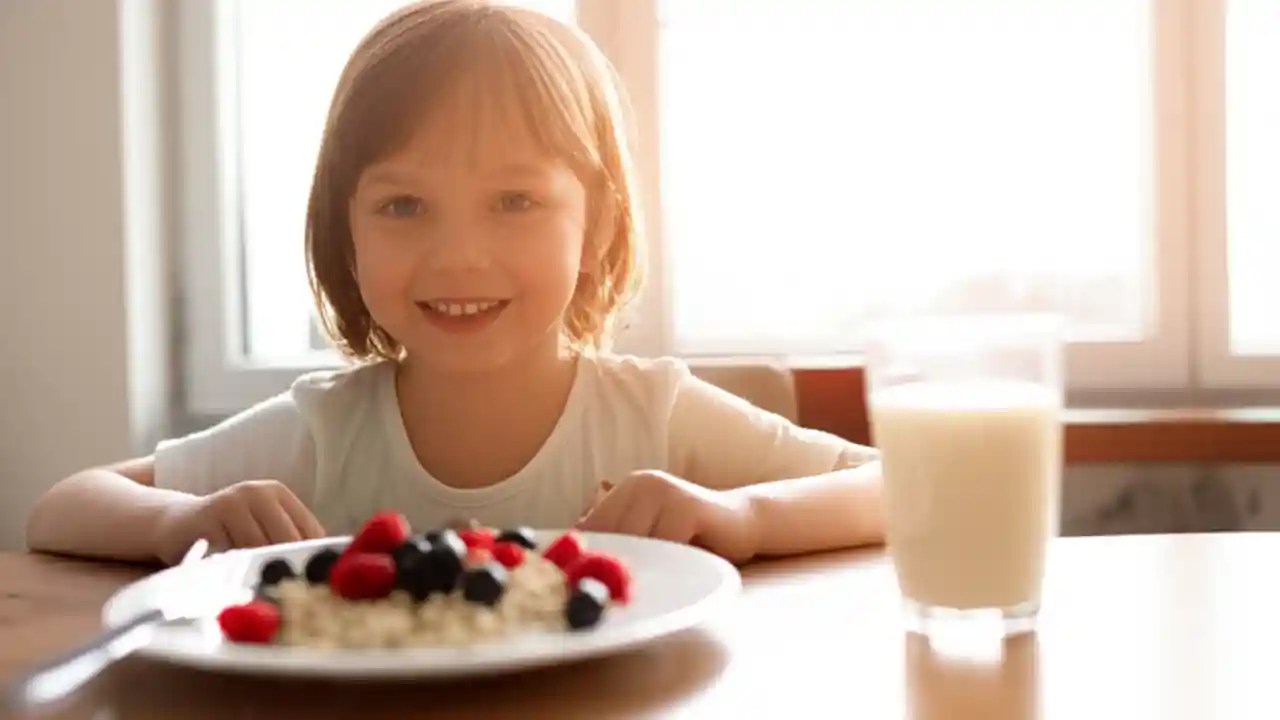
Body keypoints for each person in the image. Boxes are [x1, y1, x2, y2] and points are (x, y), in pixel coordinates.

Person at [26, 0, 883, 566]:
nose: (457, 256)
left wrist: (744, 518)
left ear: (602, 230)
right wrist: (180, 522)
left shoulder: (652, 415)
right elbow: (63, 508)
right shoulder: (324, 432)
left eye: (513, 201)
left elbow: (893, 483)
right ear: (346, 235)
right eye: (404, 206)